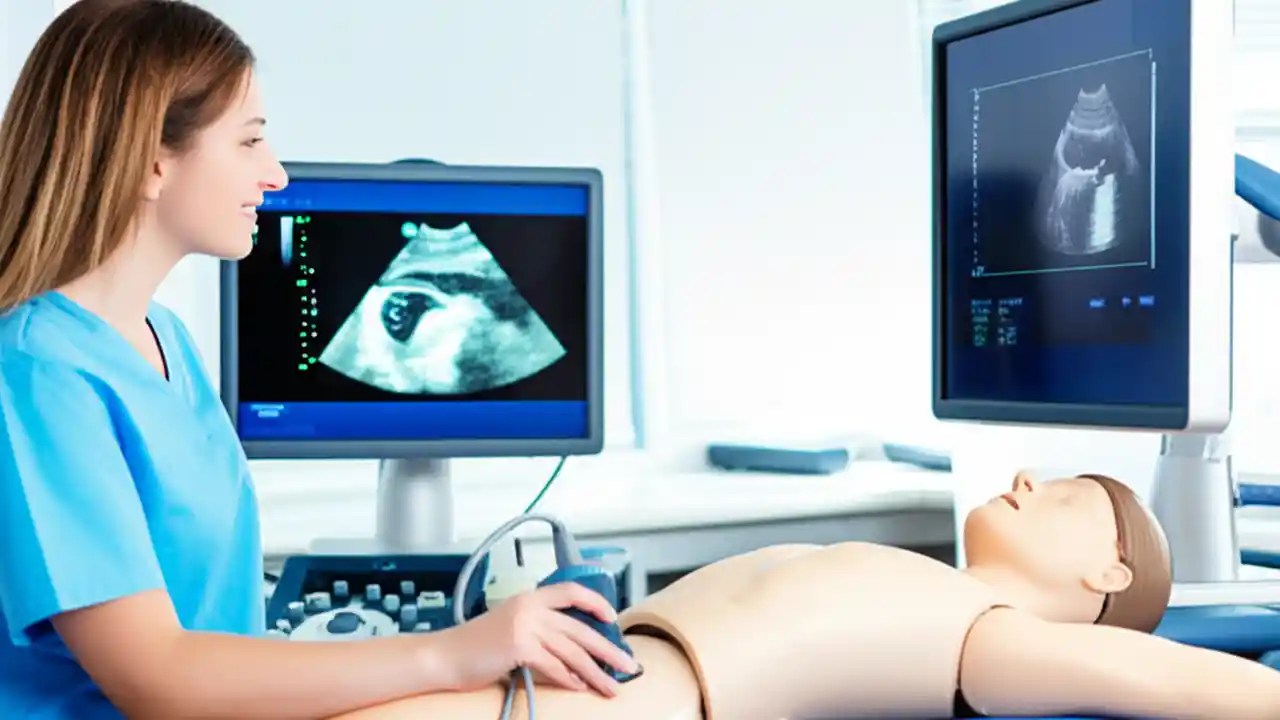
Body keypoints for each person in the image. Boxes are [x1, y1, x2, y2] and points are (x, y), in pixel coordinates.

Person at [0, 1, 636, 718]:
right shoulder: (37, 372)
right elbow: (159, 679)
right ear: (153, 161)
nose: (274, 174)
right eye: (249, 142)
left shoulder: (162, 338)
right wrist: (453, 652)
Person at [329, 472, 1280, 720]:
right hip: (572, 674)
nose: (1030, 478)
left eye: (1069, 499)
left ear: (1107, 578)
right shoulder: (932, 588)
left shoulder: (987, 636)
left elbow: (1171, 679)